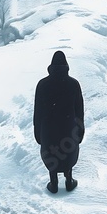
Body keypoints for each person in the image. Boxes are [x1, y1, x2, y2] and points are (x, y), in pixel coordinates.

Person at [33, 50, 84, 193]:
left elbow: (38, 112)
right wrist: (80, 131)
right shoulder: (73, 84)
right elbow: (79, 111)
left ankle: (53, 182)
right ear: (66, 66)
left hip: (48, 129)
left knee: (51, 153)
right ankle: (69, 180)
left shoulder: (42, 85)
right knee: (67, 153)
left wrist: (37, 132)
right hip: (68, 127)